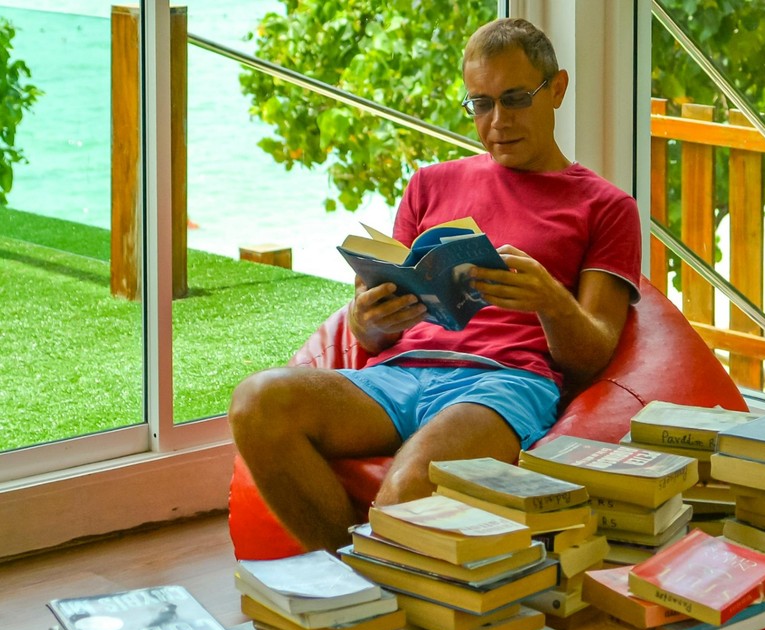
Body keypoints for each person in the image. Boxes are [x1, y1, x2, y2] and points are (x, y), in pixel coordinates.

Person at [229, 17, 642, 552]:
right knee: (255, 402)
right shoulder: (430, 184)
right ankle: (350, 580)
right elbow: (372, 331)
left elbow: (593, 355)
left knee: (409, 489)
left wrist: (549, 302)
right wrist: (367, 320)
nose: (497, 122)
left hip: (502, 384)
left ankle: (366, 590)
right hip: (398, 375)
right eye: (481, 104)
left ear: (557, 89)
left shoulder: (605, 206)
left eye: (515, 99)